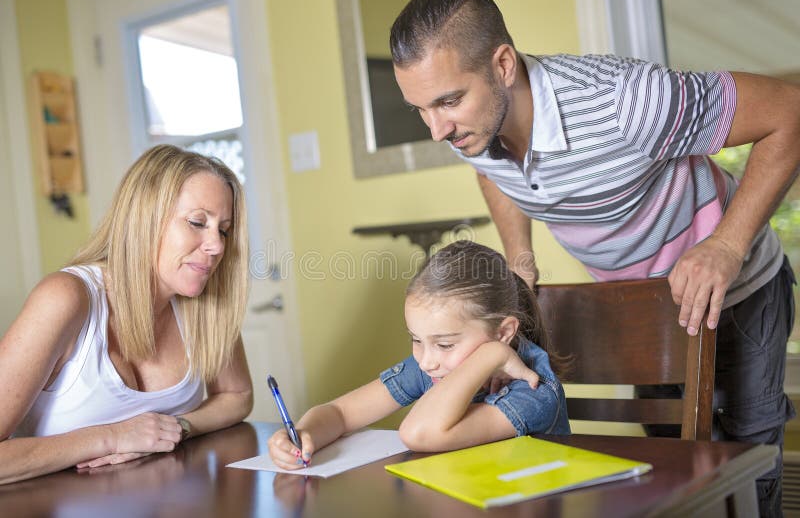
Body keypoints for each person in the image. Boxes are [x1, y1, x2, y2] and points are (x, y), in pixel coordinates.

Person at [389, 0, 800, 515]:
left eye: (448, 101)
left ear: (504, 64)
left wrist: (725, 244)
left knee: (747, 457)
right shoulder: (473, 126)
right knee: (675, 463)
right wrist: (520, 254)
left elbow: (789, 112)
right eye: (420, 108)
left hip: (739, 288)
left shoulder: (624, 98)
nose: (437, 130)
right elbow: (496, 174)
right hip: (645, 304)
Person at [0, 144, 253, 484]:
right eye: (197, 222)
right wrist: (111, 436)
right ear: (145, 219)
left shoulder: (201, 303)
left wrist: (178, 427)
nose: (217, 246)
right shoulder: (66, 298)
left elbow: (237, 396)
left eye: (223, 229)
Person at [268, 241, 570, 469]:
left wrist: (491, 354)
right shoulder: (436, 366)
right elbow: (341, 413)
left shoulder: (534, 391)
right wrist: (305, 433)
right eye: (416, 339)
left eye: (445, 344)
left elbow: (419, 433)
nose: (426, 361)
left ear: (504, 334)